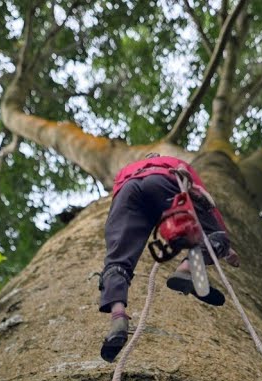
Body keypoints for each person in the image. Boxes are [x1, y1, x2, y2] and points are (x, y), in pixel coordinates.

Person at [97, 153, 241, 361]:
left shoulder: (127, 169)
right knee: (213, 235)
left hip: (127, 192)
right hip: (164, 180)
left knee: (117, 261)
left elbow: (118, 197)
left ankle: (118, 316)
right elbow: (201, 196)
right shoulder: (174, 162)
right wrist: (225, 246)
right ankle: (186, 270)